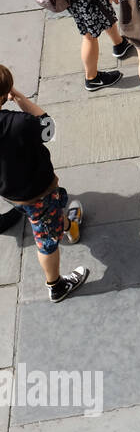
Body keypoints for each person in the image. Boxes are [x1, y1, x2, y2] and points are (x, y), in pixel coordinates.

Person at [0, 65, 88, 302]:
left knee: (48, 216)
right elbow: (49, 130)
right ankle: (56, 286)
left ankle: (68, 225)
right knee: (46, 240)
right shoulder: (18, 124)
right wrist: (19, 98)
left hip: (9, 192)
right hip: (36, 192)